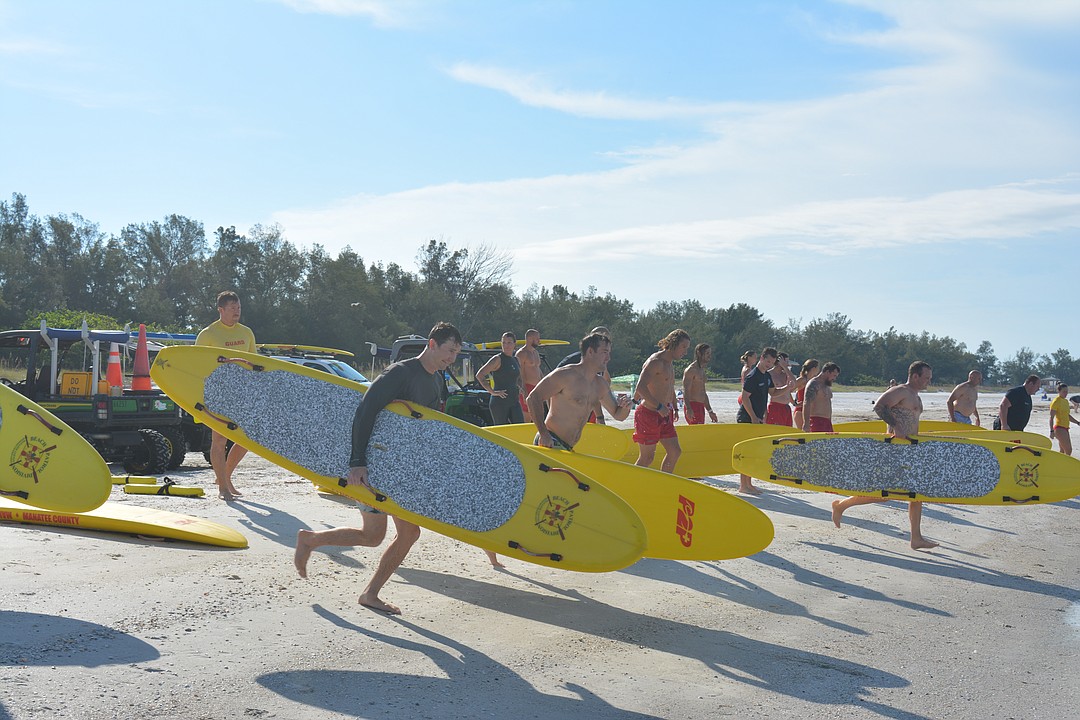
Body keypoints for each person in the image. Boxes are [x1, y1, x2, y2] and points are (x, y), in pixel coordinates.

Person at [293, 322, 463, 615]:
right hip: (377, 467)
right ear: (433, 344)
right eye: (450, 351)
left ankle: (311, 540)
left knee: (373, 536)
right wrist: (357, 462)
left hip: (402, 469)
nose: (452, 359)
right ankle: (370, 594)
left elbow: (429, 426)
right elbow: (365, 410)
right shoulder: (401, 373)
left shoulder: (438, 380)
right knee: (408, 534)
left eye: (457, 354)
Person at [831, 361, 938, 551]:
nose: (929, 381)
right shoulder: (902, 391)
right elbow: (879, 407)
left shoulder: (916, 396)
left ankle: (916, 538)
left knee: (916, 493)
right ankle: (841, 505)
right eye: (926, 377)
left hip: (909, 450)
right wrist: (896, 426)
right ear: (915, 376)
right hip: (894, 449)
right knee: (884, 494)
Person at [195, 290, 256, 500]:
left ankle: (225, 478)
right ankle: (222, 488)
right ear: (221, 310)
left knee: (247, 439)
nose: (236, 312)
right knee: (219, 440)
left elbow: (253, 364)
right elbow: (197, 365)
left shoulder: (246, 332)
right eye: (232, 308)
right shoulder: (208, 334)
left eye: (238, 308)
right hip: (217, 393)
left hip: (241, 393)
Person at [528, 332, 632, 450]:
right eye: (604, 352)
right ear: (590, 352)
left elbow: (618, 415)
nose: (608, 358)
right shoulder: (566, 375)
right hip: (551, 441)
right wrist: (543, 433)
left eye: (609, 353)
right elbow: (533, 398)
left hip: (568, 447)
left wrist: (626, 406)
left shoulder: (600, 385)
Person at [632, 329, 690, 473]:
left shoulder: (669, 363)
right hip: (648, 413)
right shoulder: (656, 362)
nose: (685, 352)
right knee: (647, 458)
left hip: (664, 414)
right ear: (673, 343)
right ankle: (632, 485)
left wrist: (675, 407)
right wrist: (658, 406)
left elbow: (668, 387)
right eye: (684, 347)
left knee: (675, 451)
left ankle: (664, 483)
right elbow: (640, 387)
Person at [736, 347, 790, 494]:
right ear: (761, 358)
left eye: (772, 363)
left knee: (753, 452)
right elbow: (745, 398)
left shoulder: (766, 376)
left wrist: (787, 388)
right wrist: (753, 416)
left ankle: (748, 483)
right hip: (747, 418)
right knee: (746, 452)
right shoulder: (753, 376)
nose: (769, 364)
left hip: (758, 418)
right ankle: (743, 485)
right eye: (767, 361)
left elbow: (773, 392)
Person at [556, 326, 612, 424]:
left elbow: (603, 386)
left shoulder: (600, 362)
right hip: (570, 410)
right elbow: (552, 388)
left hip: (589, 408)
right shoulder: (573, 361)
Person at [475, 332, 524, 426]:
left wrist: (521, 388)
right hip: (499, 402)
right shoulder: (497, 359)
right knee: (501, 430)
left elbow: (518, 377)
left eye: (509, 342)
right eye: (504, 342)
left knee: (520, 426)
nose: (506, 345)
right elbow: (480, 375)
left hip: (514, 400)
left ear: (514, 344)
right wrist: (492, 392)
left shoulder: (516, 360)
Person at [682, 344, 718, 425]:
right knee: (695, 433)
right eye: (707, 353)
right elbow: (686, 391)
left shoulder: (701, 370)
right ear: (699, 353)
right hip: (693, 406)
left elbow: (703, 392)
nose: (709, 356)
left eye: (710, 353)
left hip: (700, 406)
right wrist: (688, 408)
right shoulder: (691, 370)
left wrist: (710, 411)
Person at [801, 362, 840, 432]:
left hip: (827, 422)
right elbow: (806, 403)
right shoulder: (814, 384)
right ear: (827, 372)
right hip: (816, 421)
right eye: (834, 375)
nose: (834, 378)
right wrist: (806, 423)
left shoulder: (827, 385)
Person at [516, 329, 543, 423]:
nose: (539, 341)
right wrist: (524, 391)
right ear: (530, 339)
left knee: (537, 416)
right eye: (537, 339)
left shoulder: (535, 353)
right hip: (527, 387)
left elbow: (538, 370)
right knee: (527, 417)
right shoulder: (521, 353)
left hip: (537, 387)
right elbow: (520, 374)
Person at [765, 352, 797, 427]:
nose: (787, 364)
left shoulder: (786, 374)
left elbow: (794, 384)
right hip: (775, 407)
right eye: (786, 361)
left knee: (787, 432)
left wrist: (786, 368)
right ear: (779, 361)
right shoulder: (770, 374)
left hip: (786, 407)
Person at [1049, 383, 1078, 456]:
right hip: (1059, 428)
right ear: (1059, 391)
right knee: (1068, 450)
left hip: (1065, 428)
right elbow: (1051, 417)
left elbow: (1067, 416)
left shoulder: (1065, 401)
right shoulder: (1056, 401)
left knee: (1062, 451)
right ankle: (1066, 466)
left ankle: (1057, 466)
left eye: (1067, 391)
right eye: (1064, 391)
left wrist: (1077, 422)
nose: (1066, 393)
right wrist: (1051, 431)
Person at [792, 359, 821, 431]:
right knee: (803, 433)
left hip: (811, 411)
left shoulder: (814, 381)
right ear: (814, 368)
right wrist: (794, 403)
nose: (819, 371)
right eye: (818, 368)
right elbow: (788, 390)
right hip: (800, 411)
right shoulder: (802, 380)